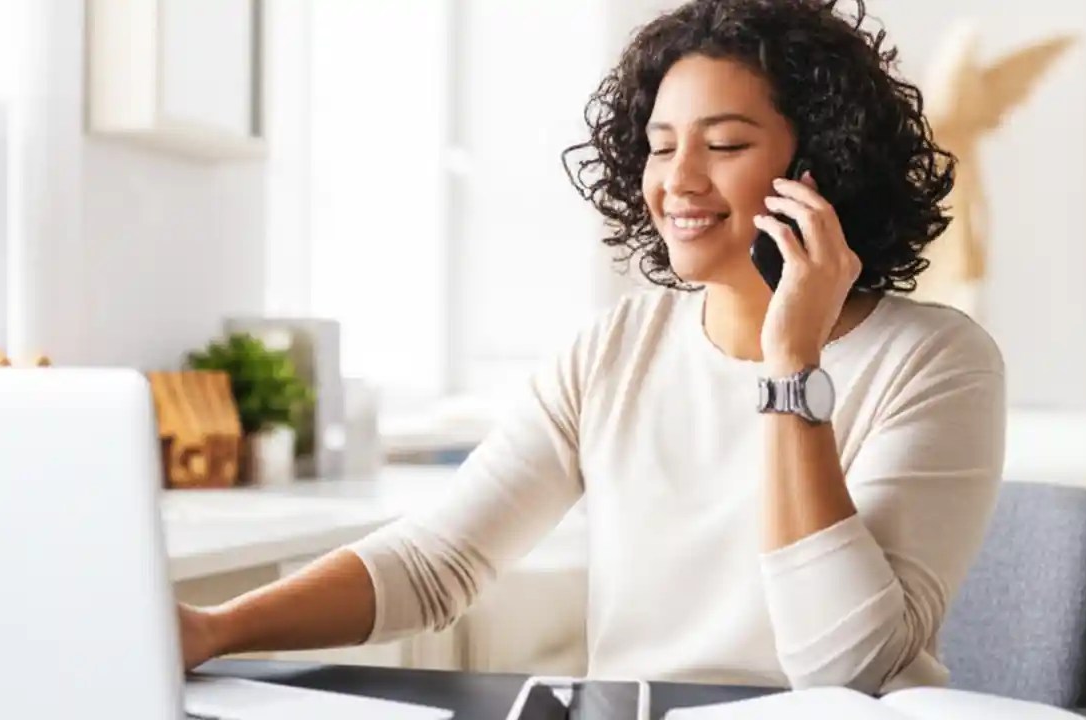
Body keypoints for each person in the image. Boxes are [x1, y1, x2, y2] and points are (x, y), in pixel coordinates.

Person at [178, 0, 1005, 694]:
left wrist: (791, 364)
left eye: (722, 146)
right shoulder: (618, 348)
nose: (677, 179)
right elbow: (436, 563)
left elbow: (845, 672)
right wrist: (213, 630)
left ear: (820, 166)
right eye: (659, 143)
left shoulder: (935, 361)